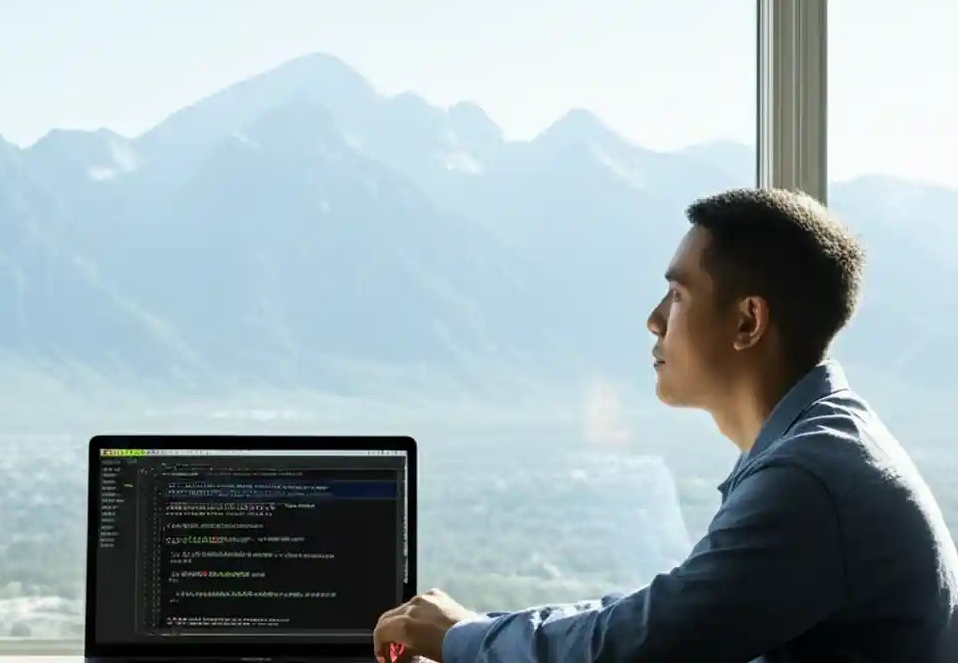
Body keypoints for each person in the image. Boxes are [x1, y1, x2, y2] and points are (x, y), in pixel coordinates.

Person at [373, 188, 958, 662]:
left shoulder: (809, 477)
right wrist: (476, 631)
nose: (654, 320)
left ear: (748, 321)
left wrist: (461, 638)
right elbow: (667, 611)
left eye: (677, 294)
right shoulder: (820, 444)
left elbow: (643, 647)